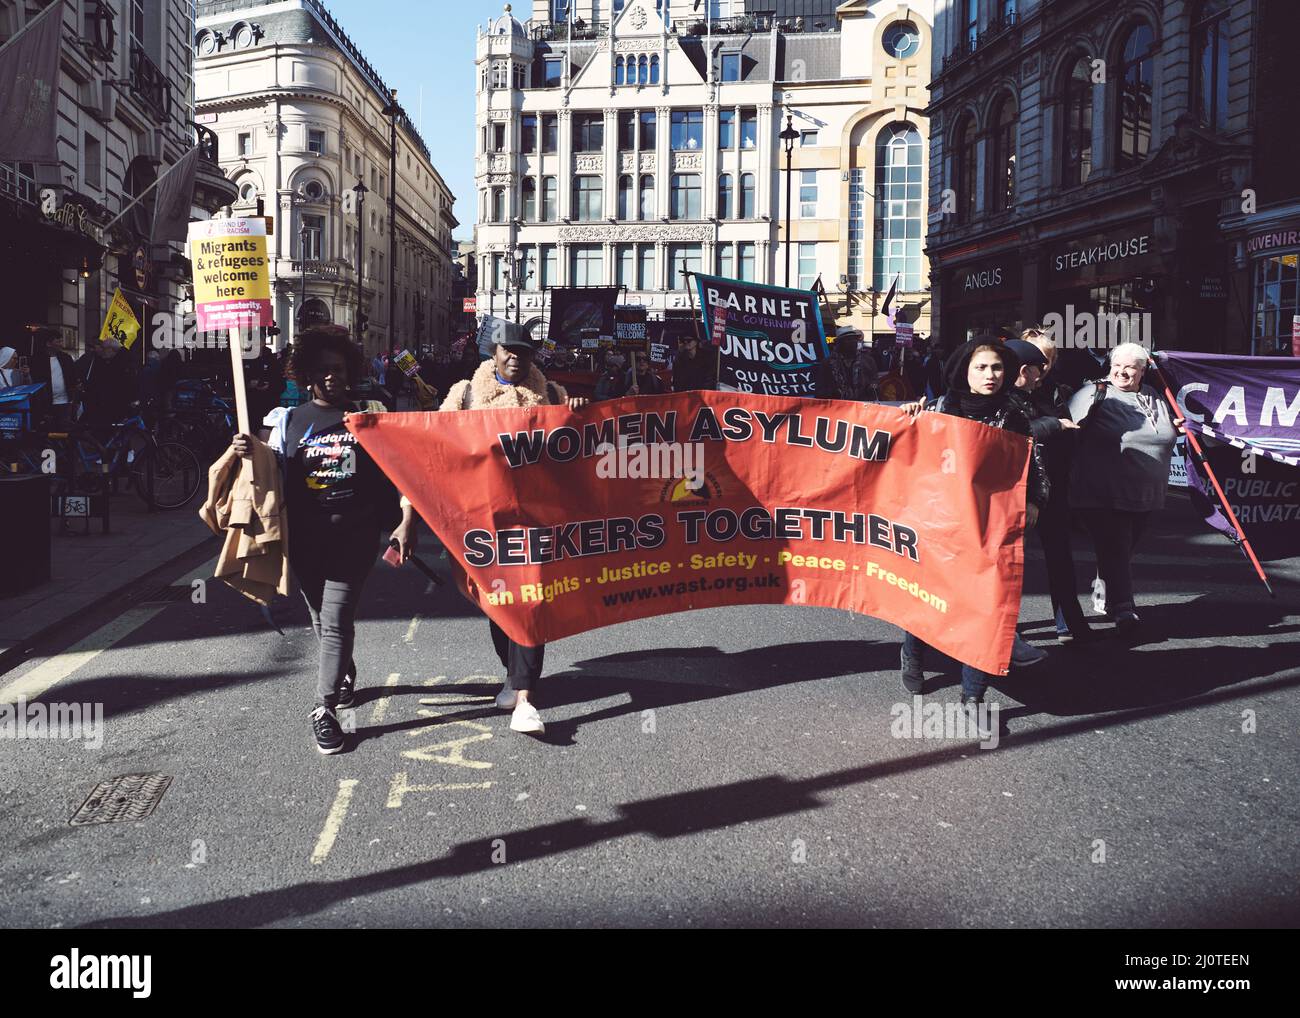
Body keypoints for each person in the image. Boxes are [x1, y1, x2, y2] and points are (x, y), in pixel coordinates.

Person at [231, 325, 414, 755]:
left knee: (335, 620)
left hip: (356, 535)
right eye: (323, 370)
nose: (332, 377)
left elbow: (403, 471)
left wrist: (406, 519)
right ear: (308, 376)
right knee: (320, 617)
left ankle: (323, 707)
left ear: (350, 370)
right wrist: (248, 450)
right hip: (305, 537)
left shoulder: (366, 418)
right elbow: (271, 473)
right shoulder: (288, 420)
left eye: (339, 369)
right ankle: (343, 671)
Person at [417, 331, 588, 735]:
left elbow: (581, 446)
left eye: (525, 352)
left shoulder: (552, 393)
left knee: (530, 602)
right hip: (484, 521)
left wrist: (577, 409)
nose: (516, 357)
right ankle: (513, 676)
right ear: (493, 353)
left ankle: (524, 697)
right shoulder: (465, 395)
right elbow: (431, 446)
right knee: (498, 603)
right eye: (509, 350)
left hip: (537, 520)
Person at [897, 338, 1051, 718]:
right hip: (940, 525)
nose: (990, 375)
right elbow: (908, 455)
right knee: (925, 599)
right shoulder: (939, 408)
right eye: (981, 368)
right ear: (964, 370)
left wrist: (1034, 500)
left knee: (985, 607)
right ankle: (912, 654)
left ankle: (973, 695)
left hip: (989, 527)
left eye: (997, 368)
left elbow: (1033, 464)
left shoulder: (1013, 414)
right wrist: (909, 416)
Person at [1067, 341, 1181, 637]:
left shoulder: (1154, 395)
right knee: (1116, 547)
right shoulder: (1093, 393)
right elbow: (1065, 429)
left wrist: (1178, 427)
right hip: (1103, 489)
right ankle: (1124, 608)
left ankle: (1104, 586)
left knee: (1122, 549)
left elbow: (1167, 430)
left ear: (1143, 371)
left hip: (1147, 491)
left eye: (1130, 366)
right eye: (1117, 365)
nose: (1122, 372)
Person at [1004, 337, 1092, 643]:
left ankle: (1069, 622)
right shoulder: (1001, 396)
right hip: (1011, 490)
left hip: (1050, 484)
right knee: (1010, 562)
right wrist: (1053, 426)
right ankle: (1005, 629)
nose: (1038, 372)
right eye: (1032, 365)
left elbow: (1065, 432)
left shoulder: (1054, 390)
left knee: (1060, 557)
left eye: (1045, 362)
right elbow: (1015, 432)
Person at [28, 327, 81, 427]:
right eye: (58, 341)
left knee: (65, 430)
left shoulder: (66, 358)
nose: (61, 344)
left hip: (66, 402)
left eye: (61, 341)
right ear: (48, 344)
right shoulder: (37, 360)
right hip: (45, 404)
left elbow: (74, 379)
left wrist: (76, 400)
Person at [78, 337, 135, 428]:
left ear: (111, 349)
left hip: (115, 405)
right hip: (105, 404)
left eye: (103, 348)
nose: (101, 350)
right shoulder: (105, 360)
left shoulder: (123, 364)